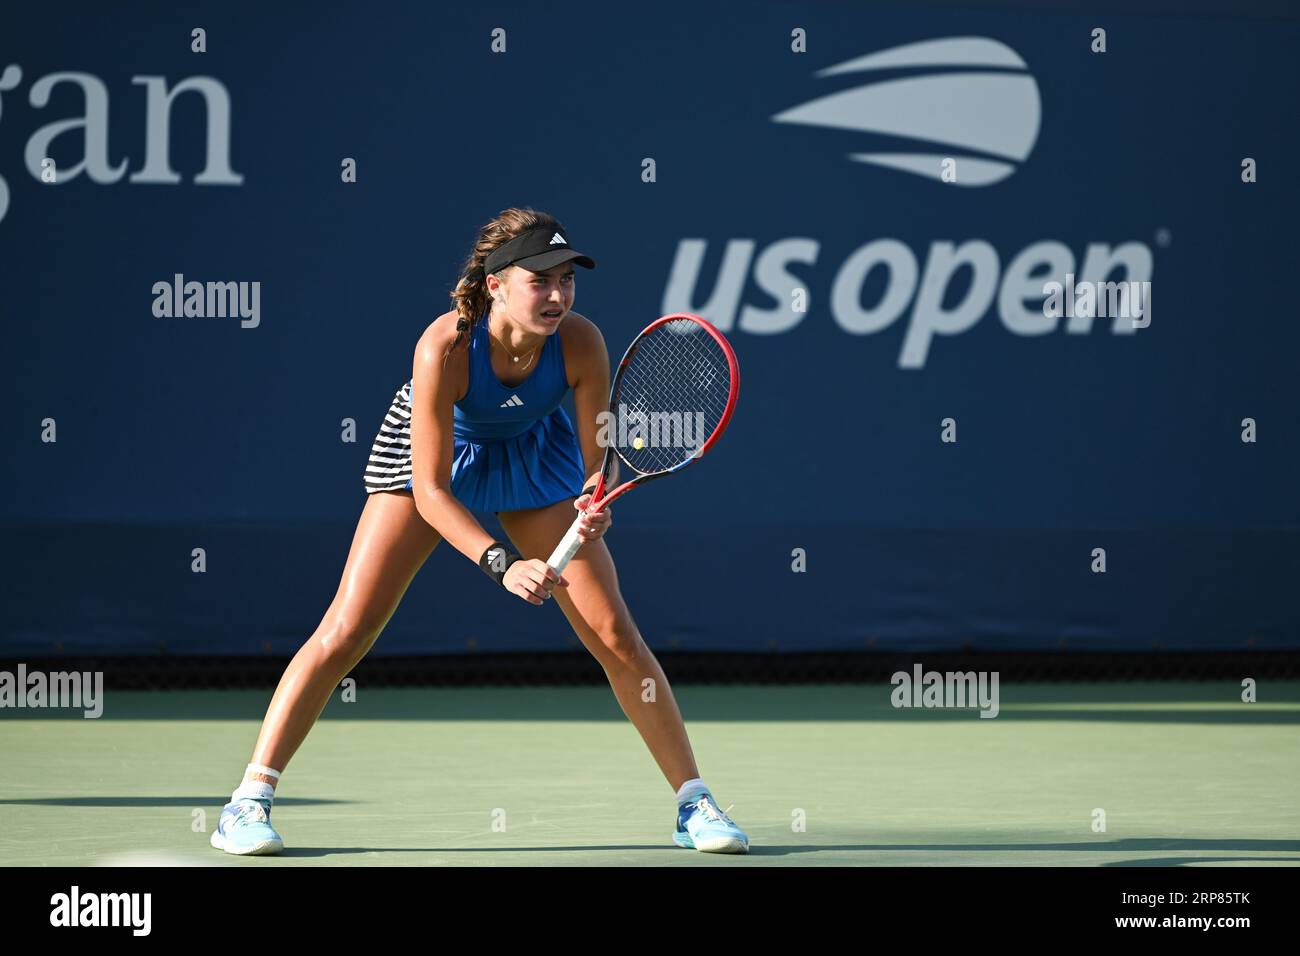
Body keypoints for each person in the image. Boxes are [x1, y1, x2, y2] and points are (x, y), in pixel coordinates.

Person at [210, 207, 749, 856]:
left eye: (567, 281)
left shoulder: (581, 342)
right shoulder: (444, 346)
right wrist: (501, 562)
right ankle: (248, 801)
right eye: (539, 280)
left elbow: (595, 458)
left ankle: (694, 804)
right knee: (349, 627)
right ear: (495, 284)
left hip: (532, 454)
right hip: (434, 462)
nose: (557, 295)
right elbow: (432, 490)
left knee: (616, 636)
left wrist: (593, 499)